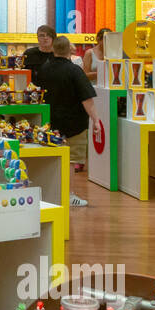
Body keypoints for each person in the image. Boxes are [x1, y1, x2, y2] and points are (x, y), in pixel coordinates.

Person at [35, 37, 102, 203]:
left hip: (49, 122)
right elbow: (87, 99)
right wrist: (96, 120)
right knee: (71, 160)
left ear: (54, 49)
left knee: (51, 159)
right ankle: (69, 196)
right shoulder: (74, 71)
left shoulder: (44, 69)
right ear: (69, 50)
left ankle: (50, 195)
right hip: (74, 124)